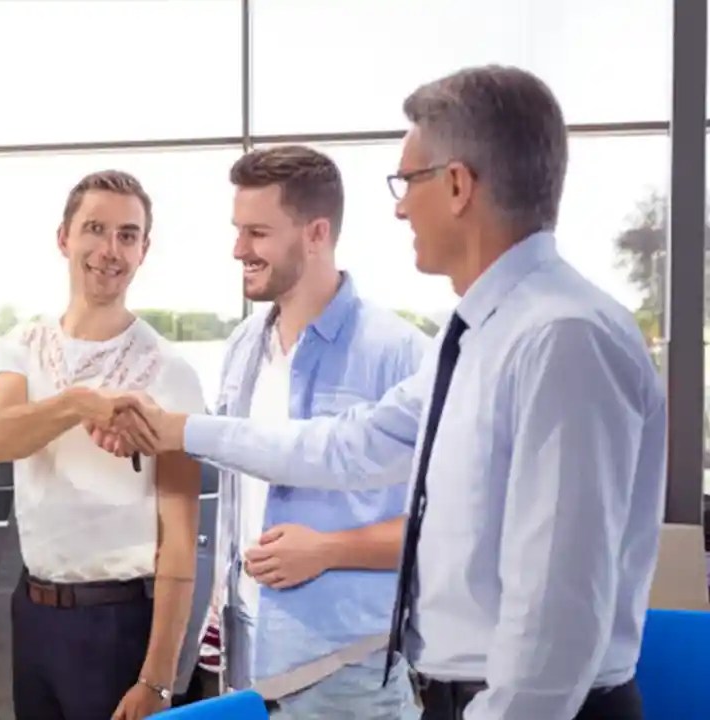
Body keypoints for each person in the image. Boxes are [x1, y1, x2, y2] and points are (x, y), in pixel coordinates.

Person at [101, 65, 664, 720]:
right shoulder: (479, 333)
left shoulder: (561, 339)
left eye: (408, 181)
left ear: (457, 185)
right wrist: (181, 431)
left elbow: (557, 623)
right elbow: (348, 447)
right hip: (453, 695)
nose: (398, 206)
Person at [171, 145, 429, 718]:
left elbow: (445, 526)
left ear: (316, 234)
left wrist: (331, 550)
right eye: (238, 230)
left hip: (351, 680)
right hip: (247, 665)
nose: (239, 249)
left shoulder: (401, 354)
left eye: (257, 232)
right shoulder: (243, 347)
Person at [0, 169, 208, 720]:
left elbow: (178, 544)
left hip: (115, 626)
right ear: (64, 238)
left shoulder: (169, 372)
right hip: (31, 613)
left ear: (143, 250)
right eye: (95, 229)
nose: (110, 250)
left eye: (127, 235)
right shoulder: (23, 346)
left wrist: (156, 680)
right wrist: (80, 404)